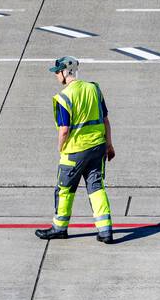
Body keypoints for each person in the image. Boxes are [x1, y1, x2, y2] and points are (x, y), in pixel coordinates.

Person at [35, 56, 115, 244]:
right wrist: (109, 145)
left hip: (75, 151)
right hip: (97, 148)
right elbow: (105, 120)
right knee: (96, 188)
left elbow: (64, 130)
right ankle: (105, 230)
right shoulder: (94, 89)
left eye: (57, 72)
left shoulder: (64, 97)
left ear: (65, 72)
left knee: (64, 189)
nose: (56, 76)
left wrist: (60, 148)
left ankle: (59, 228)